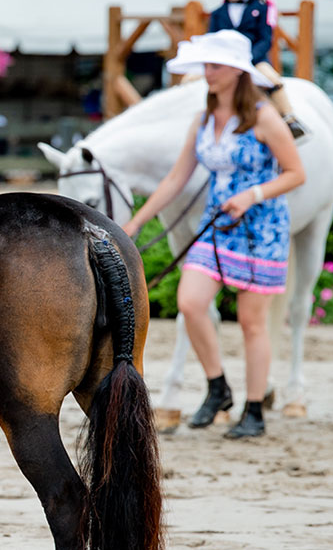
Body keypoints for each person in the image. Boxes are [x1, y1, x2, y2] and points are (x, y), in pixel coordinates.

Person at [122, 30, 306, 439]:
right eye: (206, 65)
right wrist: (135, 222)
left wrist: (252, 194)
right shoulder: (203, 120)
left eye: (216, 66)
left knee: (251, 322)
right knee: (190, 302)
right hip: (218, 224)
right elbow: (175, 178)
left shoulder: (263, 117)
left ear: (237, 73)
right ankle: (217, 385)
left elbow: (296, 173)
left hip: (262, 229)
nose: (209, 73)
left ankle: (254, 407)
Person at [209, 0, 306, 138]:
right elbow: (212, 39)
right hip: (224, 62)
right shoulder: (217, 13)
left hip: (254, 59)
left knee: (273, 80)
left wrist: (247, 58)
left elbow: (265, 39)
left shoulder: (261, 9)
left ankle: (289, 118)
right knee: (188, 80)